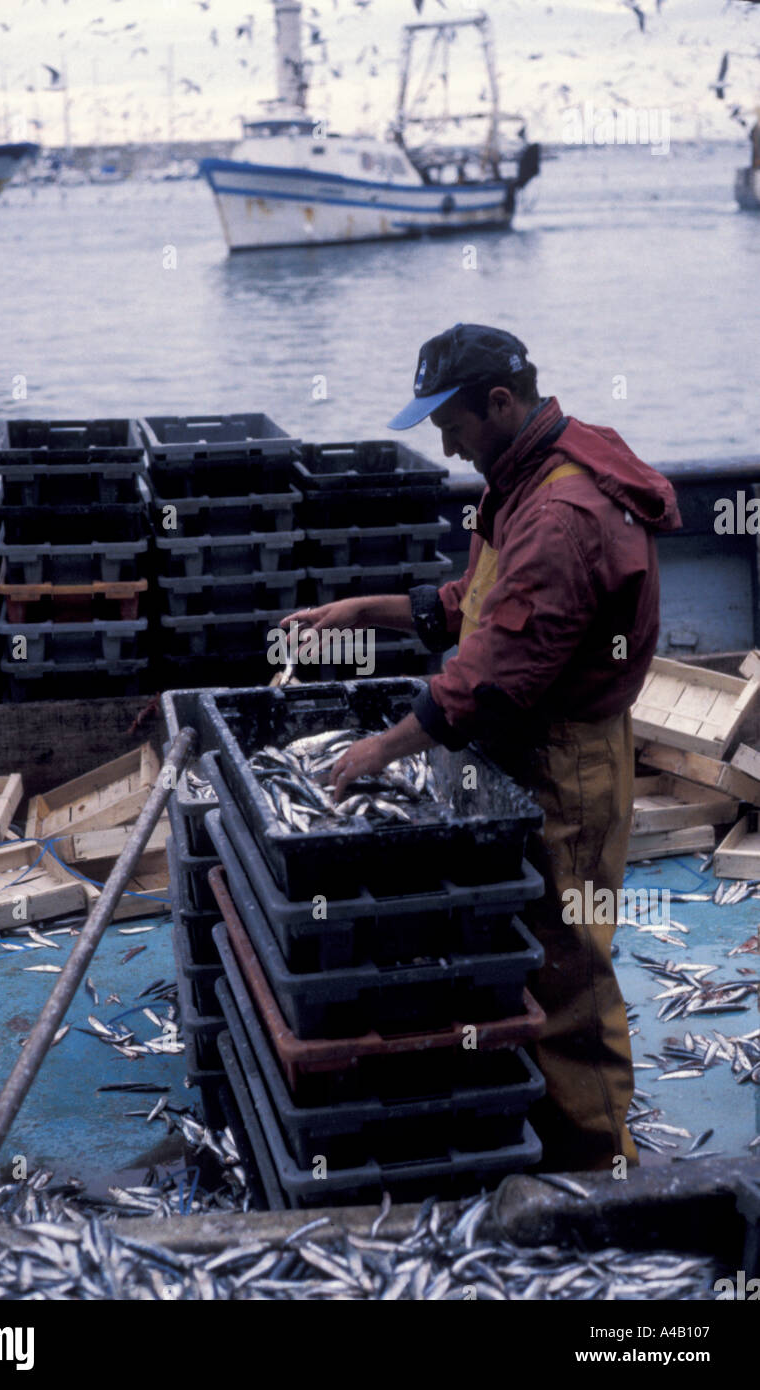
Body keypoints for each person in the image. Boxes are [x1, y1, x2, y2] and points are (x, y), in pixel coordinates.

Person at [285, 323, 682, 1172]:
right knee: (526, 947)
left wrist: (378, 753)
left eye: (451, 424)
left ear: (499, 402)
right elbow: (480, 602)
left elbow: (496, 674)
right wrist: (361, 609)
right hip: (527, 748)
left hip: (562, 764)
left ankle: (597, 1170)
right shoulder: (529, 470)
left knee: (567, 968)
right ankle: (538, 1131)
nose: (445, 443)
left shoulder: (560, 508)